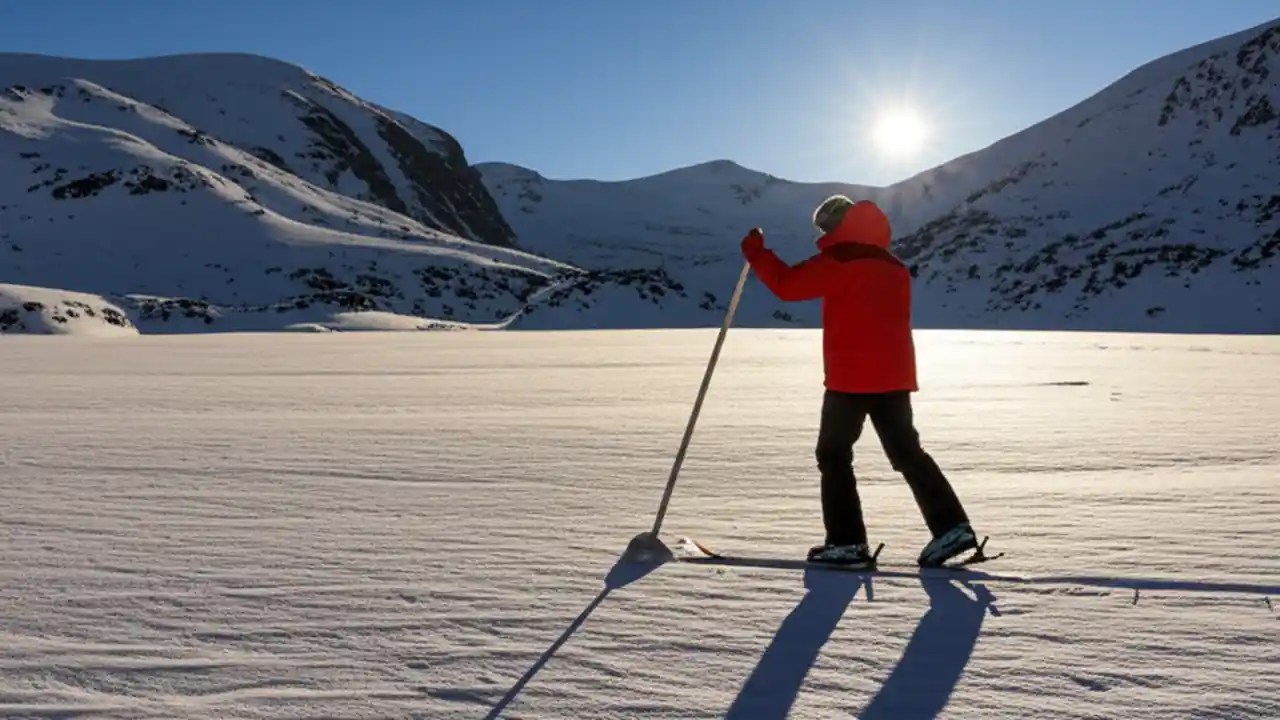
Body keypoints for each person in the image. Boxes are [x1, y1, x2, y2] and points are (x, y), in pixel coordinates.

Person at [740, 195, 977, 568]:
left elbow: (787, 285)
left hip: (850, 377)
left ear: (838, 224)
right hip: (895, 377)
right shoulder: (893, 264)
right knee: (907, 454)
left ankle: (847, 542)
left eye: (825, 226)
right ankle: (952, 527)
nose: (823, 233)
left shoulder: (839, 260)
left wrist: (757, 254)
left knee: (833, 456)